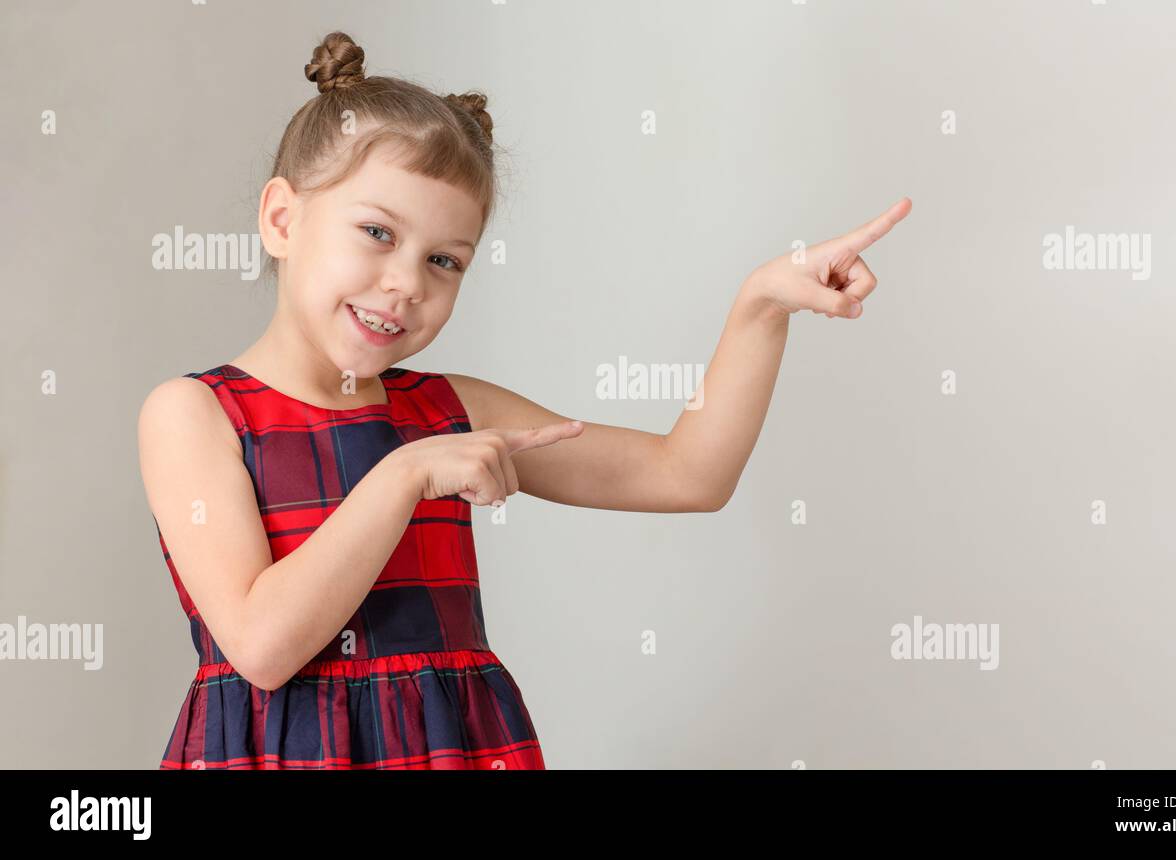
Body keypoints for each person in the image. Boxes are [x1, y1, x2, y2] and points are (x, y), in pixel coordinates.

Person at [137, 30, 911, 770]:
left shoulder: (447, 413)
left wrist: (761, 309)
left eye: (445, 260)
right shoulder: (195, 414)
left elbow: (687, 475)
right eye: (377, 232)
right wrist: (404, 476)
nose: (407, 282)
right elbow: (264, 649)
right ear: (281, 219)